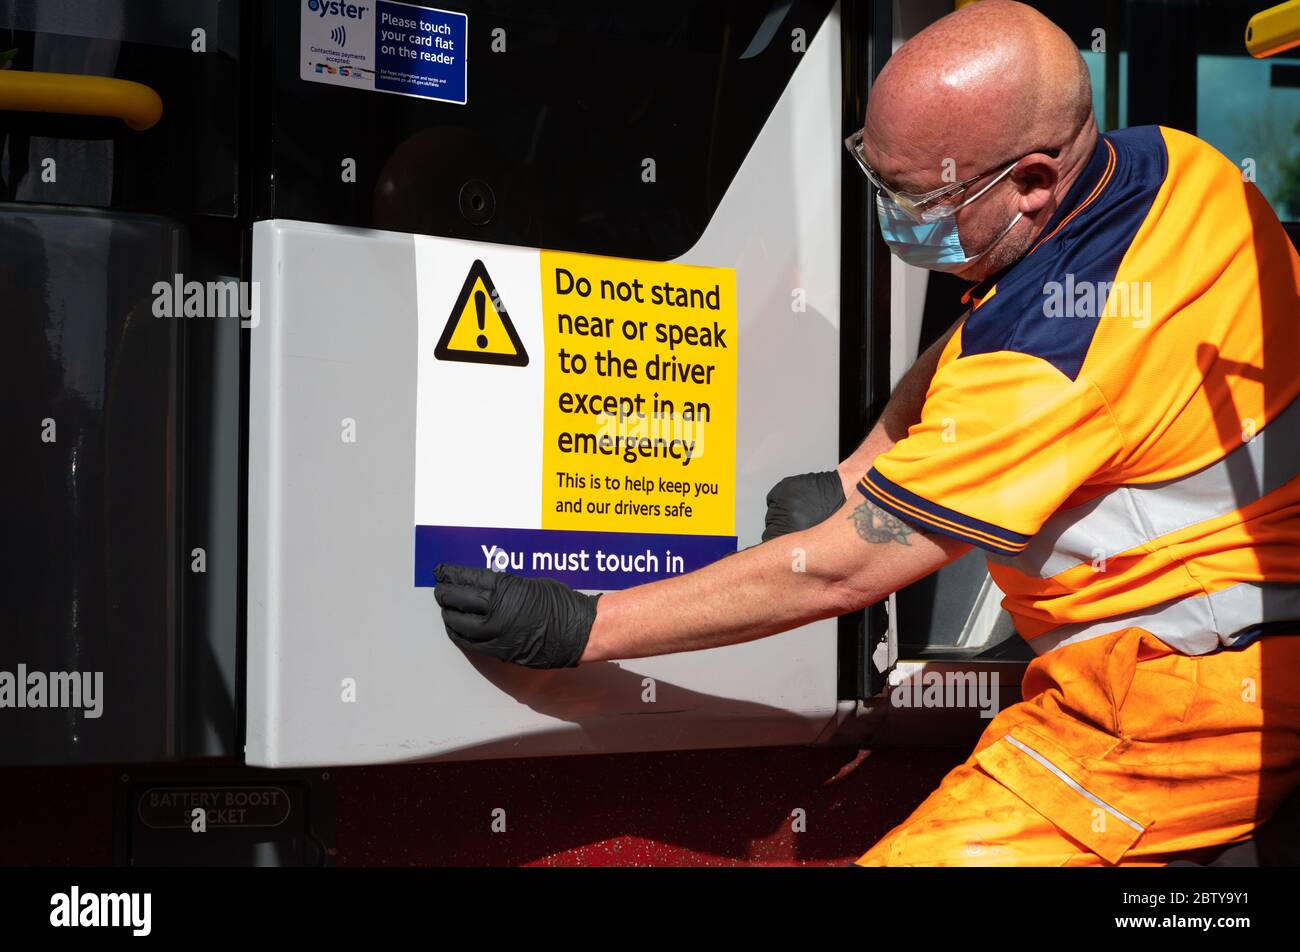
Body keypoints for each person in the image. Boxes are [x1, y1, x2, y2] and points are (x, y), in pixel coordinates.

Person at [433, 0, 1300, 865]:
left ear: (1034, 181)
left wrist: (586, 626)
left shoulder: (1055, 366)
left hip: (1184, 707)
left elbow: (843, 571)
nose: (892, 216)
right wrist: (858, 469)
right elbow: (988, 324)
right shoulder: (1173, 169)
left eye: (919, 197)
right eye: (876, 178)